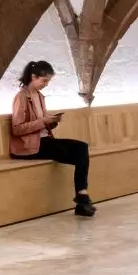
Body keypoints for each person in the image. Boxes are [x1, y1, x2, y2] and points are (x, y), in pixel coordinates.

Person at [10, 61, 96, 217]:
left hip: (44, 141)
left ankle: (82, 195)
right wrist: (44, 121)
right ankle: (82, 200)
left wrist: (52, 122)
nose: (46, 84)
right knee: (78, 156)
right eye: (44, 80)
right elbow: (17, 129)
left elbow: (40, 123)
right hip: (30, 146)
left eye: (48, 81)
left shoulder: (40, 96)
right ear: (33, 76)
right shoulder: (21, 97)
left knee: (82, 147)